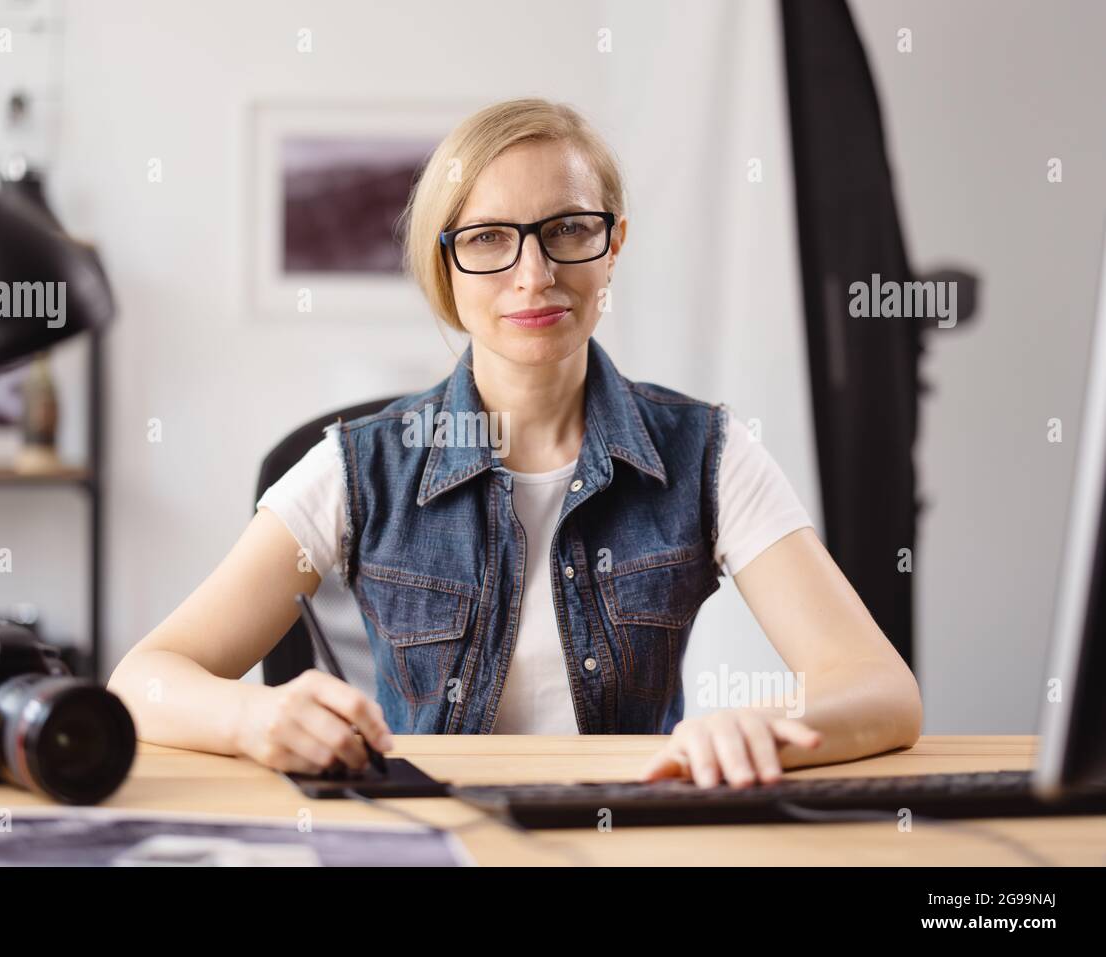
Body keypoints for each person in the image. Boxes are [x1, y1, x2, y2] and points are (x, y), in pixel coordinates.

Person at [108, 98, 921, 789]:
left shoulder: (708, 452)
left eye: (567, 228)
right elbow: (144, 678)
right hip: (428, 839)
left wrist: (763, 728)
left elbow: (881, 687)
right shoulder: (357, 468)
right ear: (447, 267)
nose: (533, 274)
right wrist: (255, 714)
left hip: (625, 842)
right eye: (490, 238)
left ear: (613, 245)